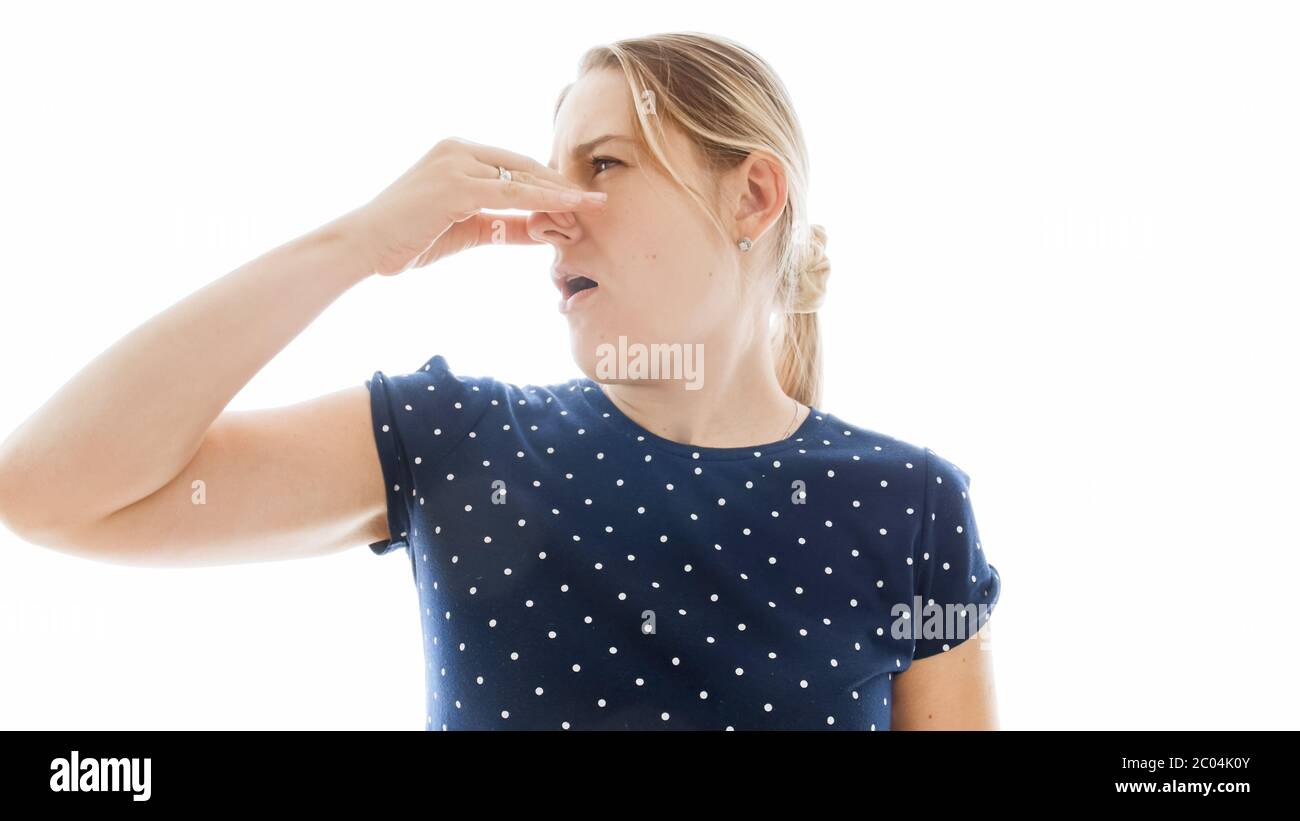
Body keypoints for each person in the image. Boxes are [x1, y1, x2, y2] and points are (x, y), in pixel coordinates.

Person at [0, 31, 1001, 730]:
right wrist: (357, 242)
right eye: (548, 173)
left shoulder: (910, 506)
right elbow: (48, 488)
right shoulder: (457, 437)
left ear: (752, 194)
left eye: (602, 164)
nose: (551, 212)